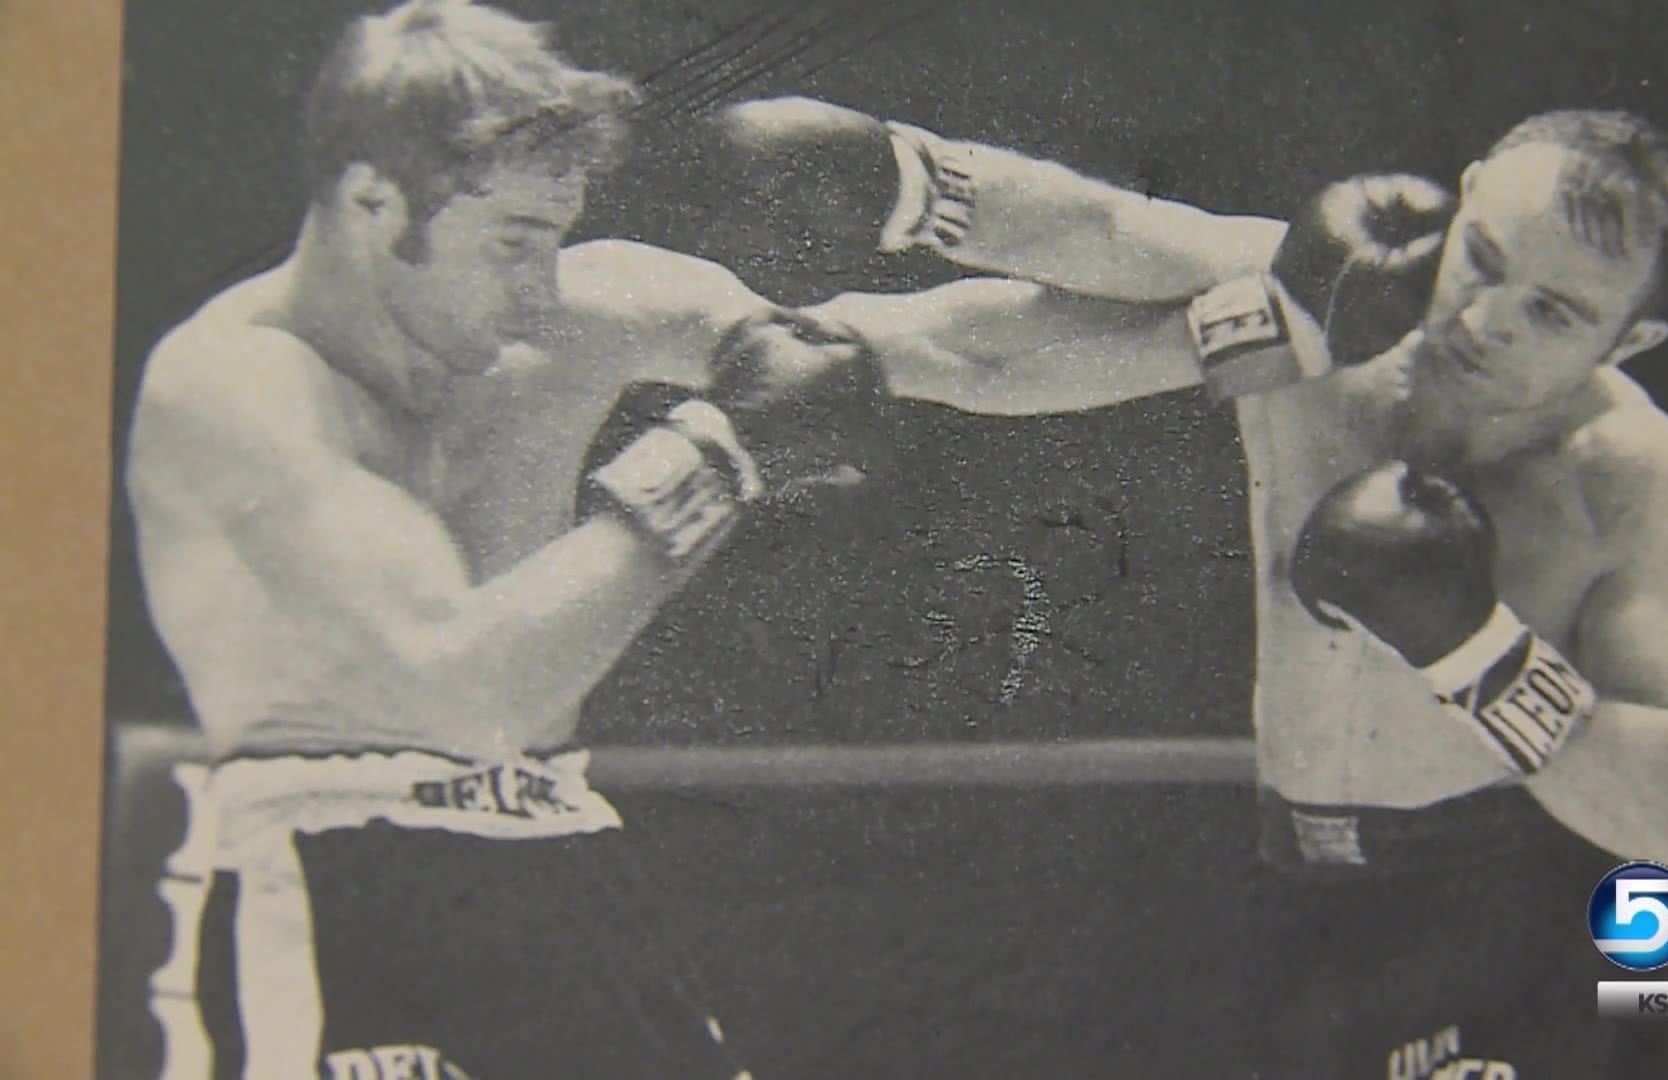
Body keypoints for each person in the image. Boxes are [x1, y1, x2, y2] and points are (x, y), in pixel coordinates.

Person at [121, 3, 1206, 1076]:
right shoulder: (239, 393)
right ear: (372, 202)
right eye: (512, 242)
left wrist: (1269, 310)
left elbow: (960, 355)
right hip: (338, 886)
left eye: (555, 236)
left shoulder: (587, 309)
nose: (539, 284)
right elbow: (453, 698)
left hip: (558, 854)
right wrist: (717, 459)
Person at [713, 100, 1668, 1076]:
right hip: (1268, 871)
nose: (1488, 320)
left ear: (1632, 340)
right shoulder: (1339, 300)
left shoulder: (1636, 476)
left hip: (1484, 901)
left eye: (1556, 313)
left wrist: (1468, 643)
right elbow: (1107, 233)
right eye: (1484, 259)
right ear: (1463, 197)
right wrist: (900, 177)